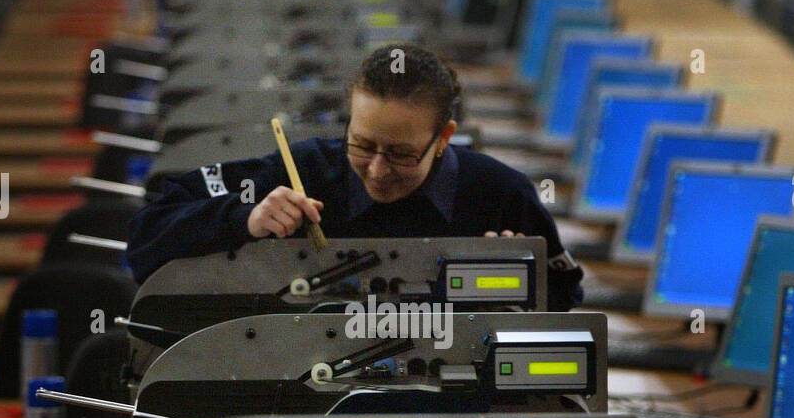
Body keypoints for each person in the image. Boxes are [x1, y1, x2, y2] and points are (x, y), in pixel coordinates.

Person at [126, 43, 583, 310]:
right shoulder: (302, 173)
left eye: (402, 155)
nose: (378, 171)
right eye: (362, 145)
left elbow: (568, 305)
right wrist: (244, 218)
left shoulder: (503, 196)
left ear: (444, 138)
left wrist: (517, 286)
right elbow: (146, 237)